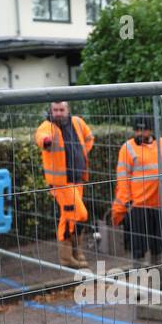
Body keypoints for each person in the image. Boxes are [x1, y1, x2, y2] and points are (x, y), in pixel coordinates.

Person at [34, 100, 95, 268]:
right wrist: (47, 141)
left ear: (68, 110)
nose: (58, 113)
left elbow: (89, 138)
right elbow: (40, 137)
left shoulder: (77, 122)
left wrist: (81, 154)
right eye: (55, 110)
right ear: (51, 111)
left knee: (70, 216)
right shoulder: (47, 126)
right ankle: (67, 256)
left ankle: (74, 253)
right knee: (79, 214)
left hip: (78, 179)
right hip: (61, 183)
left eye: (61, 109)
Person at [110, 114, 162, 266]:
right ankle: (139, 284)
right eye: (136, 130)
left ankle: (158, 283)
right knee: (138, 250)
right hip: (137, 206)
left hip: (161, 205)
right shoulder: (128, 148)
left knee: (158, 248)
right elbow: (123, 179)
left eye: (143, 130)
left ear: (150, 130)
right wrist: (126, 203)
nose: (139, 134)